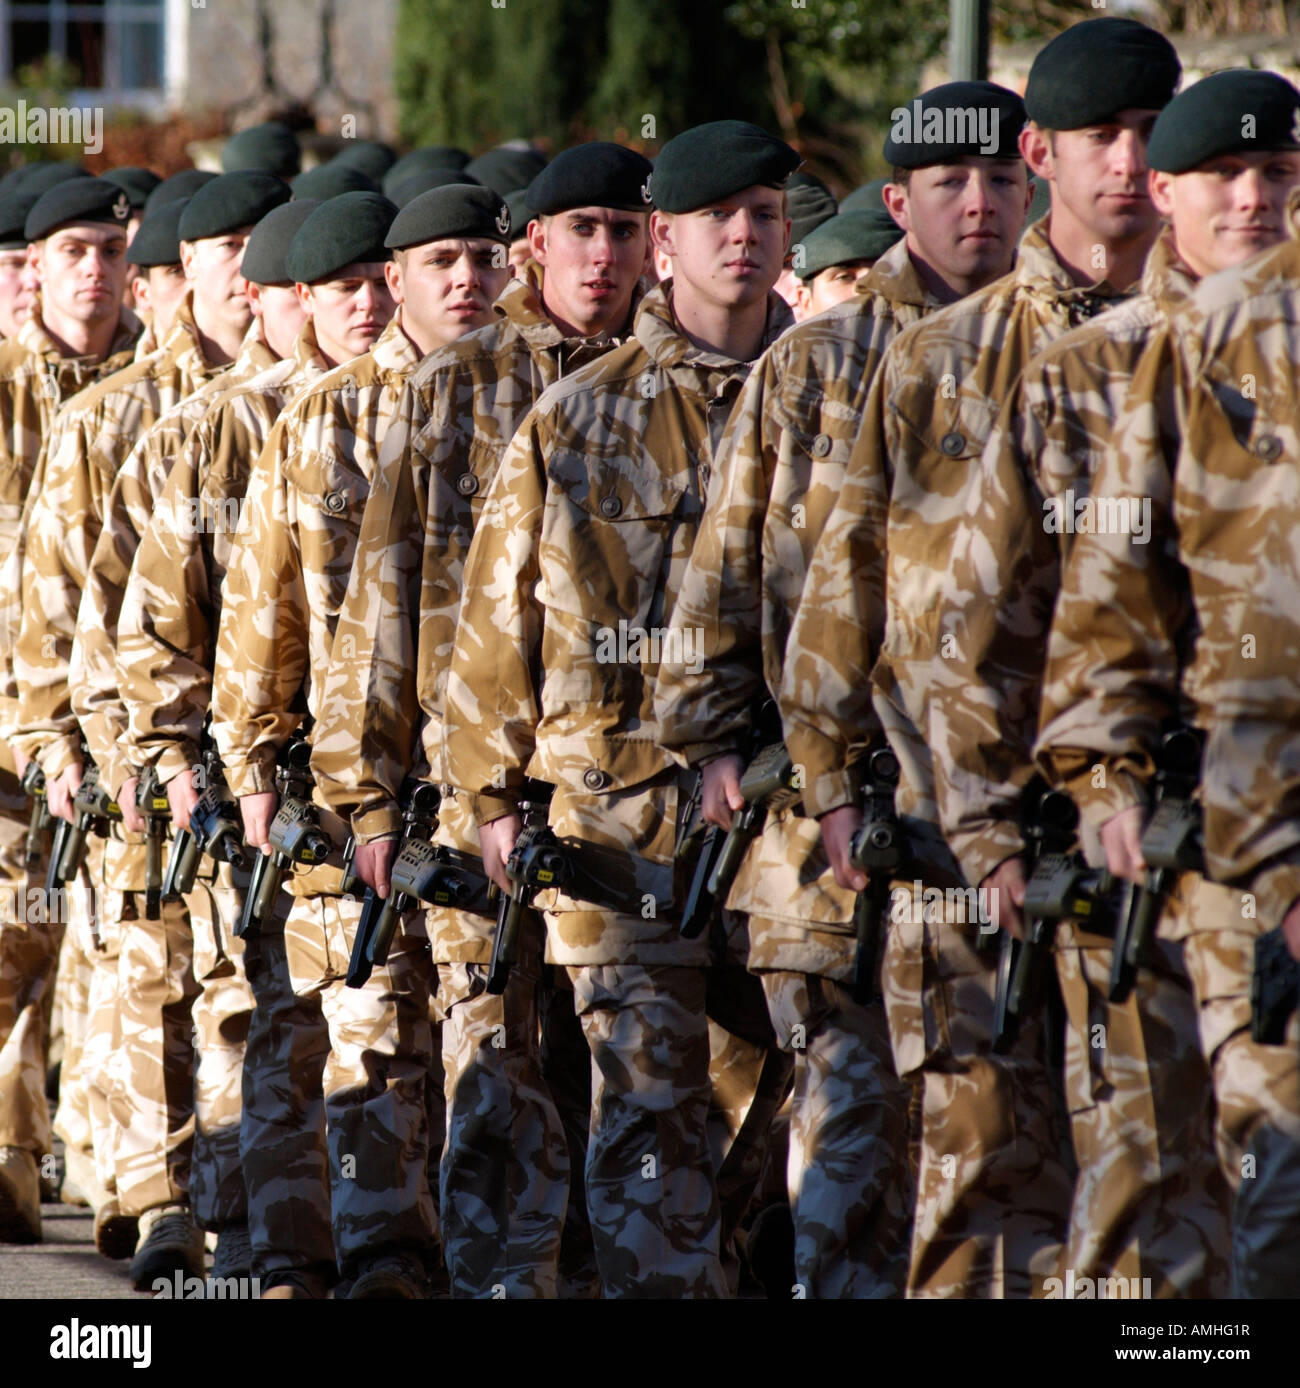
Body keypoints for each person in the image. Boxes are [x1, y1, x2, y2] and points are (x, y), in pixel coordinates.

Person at [776, 17, 1182, 1296]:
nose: (1123, 165)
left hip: (1171, 835)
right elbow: (840, 583)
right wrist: (833, 783)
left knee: (1167, 1197)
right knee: (980, 1186)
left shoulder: (1232, 345)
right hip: (963, 835)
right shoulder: (943, 356)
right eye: (1096, 138)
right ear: (1042, 155)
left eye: (1144, 136)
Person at [655, 81, 1030, 1299]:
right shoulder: (819, 363)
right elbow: (725, 573)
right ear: (895, 202)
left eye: (998, 182)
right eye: (946, 186)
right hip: (842, 841)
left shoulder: (1068, 350)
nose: (976, 206)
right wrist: (719, 748)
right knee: (856, 1156)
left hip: (1010, 826)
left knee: (1000, 1160)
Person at [443, 119, 798, 1298]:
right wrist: (489, 796)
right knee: (646, 1113)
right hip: (613, 824)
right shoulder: (581, 419)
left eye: (764, 214)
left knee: (796, 1081)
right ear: (668, 241)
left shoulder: (838, 393)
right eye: (718, 218)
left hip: (792, 822)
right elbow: (499, 629)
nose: (744, 238)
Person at [313, 143, 656, 1298]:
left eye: (623, 227)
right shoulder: (453, 389)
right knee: (499, 1084)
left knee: (643, 1089)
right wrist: (363, 793)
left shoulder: (685, 380)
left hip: (637, 800)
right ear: (538, 248)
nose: (603, 253)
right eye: (581, 229)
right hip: (478, 801)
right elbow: (381, 603)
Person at [1035, 73, 1300, 1300]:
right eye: (1226, 178)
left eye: (1277, 176)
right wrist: (1100, 783)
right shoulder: (1142, 361)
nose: (1254, 200)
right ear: (1167, 193)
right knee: (1197, 1182)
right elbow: (1092, 601)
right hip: (1208, 843)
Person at [210, 191, 438, 1299]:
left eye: (370, 281)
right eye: (338, 287)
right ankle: (316, 1246)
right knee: (337, 1021)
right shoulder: (313, 423)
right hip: (336, 782)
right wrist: (250, 765)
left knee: (462, 1037)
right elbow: (263, 613)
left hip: (459, 772)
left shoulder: (492, 400)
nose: (360, 303)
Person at [0, 177, 139, 1246]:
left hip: (120, 718)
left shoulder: (158, 385)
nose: (91, 269)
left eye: (107, 249)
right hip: (9, 709)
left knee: (94, 939)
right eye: (70, 252)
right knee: (14, 940)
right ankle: (10, 1163)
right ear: (33, 267)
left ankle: (107, 1165)